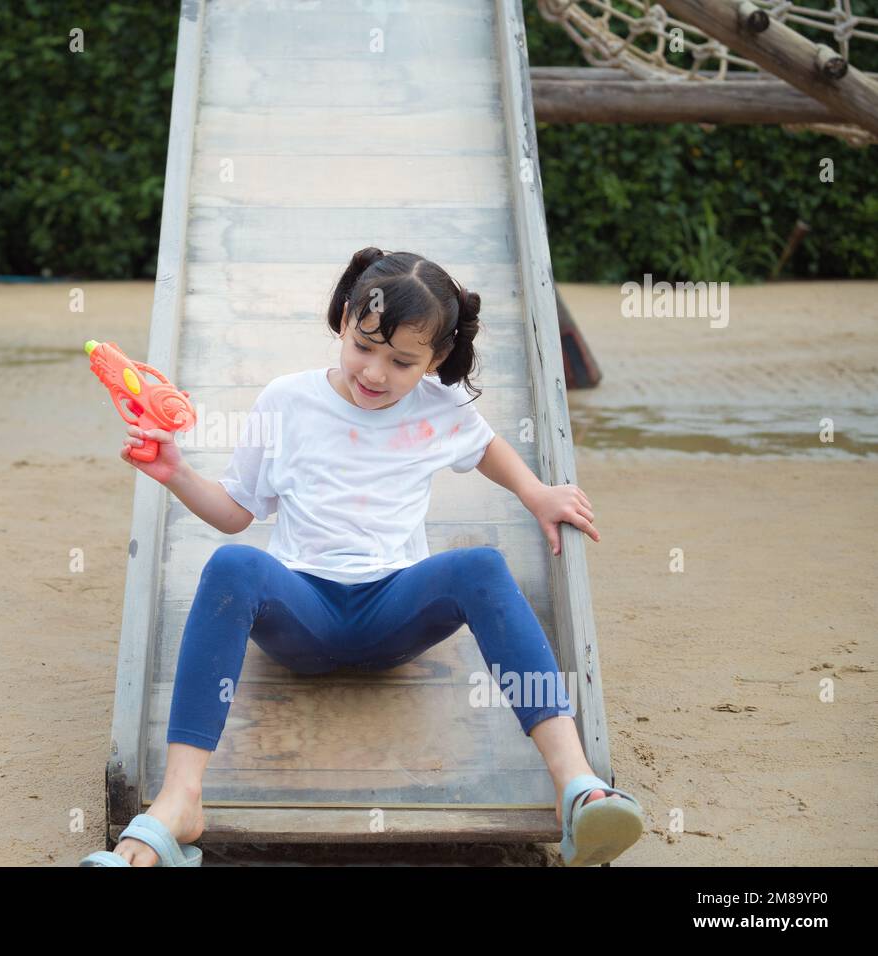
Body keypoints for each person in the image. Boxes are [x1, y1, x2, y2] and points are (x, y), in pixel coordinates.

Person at [82, 248, 644, 867]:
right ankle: (180, 799)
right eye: (364, 346)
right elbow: (236, 511)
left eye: (402, 361)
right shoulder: (286, 401)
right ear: (345, 319)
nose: (375, 372)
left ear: (436, 360)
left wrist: (537, 493)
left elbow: (487, 447)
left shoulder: (440, 408)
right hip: (303, 614)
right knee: (233, 564)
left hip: (392, 614)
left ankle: (577, 786)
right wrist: (176, 472)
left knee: (481, 565)